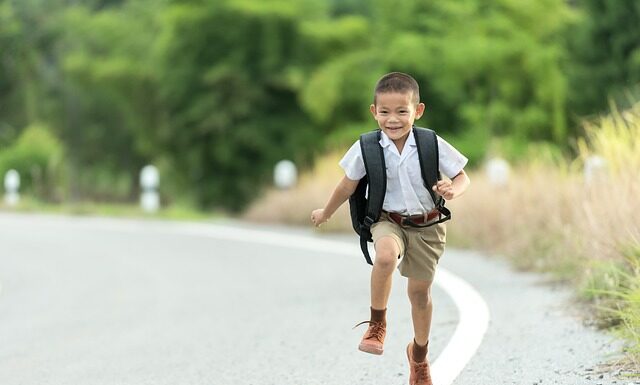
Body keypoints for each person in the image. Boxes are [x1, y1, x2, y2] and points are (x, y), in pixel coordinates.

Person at [310, 72, 470, 385]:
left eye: (401, 112)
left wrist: (453, 189)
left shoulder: (430, 143)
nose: (392, 120)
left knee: (419, 295)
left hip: (427, 225)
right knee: (384, 257)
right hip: (388, 220)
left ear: (418, 111)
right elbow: (347, 184)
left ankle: (419, 356)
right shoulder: (367, 147)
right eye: (384, 112)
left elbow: (463, 177)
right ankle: (377, 324)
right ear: (374, 112)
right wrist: (326, 211)